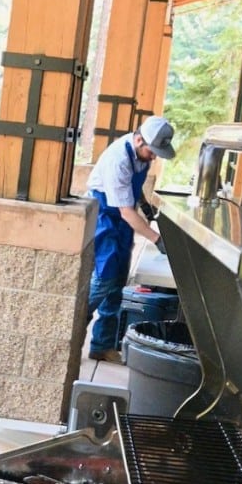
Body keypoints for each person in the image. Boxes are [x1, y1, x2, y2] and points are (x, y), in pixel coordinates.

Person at [83, 115, 176, 363]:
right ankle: (71, 330)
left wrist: (146, 207)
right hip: (106, 218)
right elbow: (125, 211)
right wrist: (157, 240)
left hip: (122, 218)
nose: (154, 156)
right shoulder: (119, 160)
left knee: (117, 285)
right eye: (152, 151)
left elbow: (131, 195)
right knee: (104, 280)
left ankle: (101, 346)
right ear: (138, 139)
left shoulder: (140, 153)